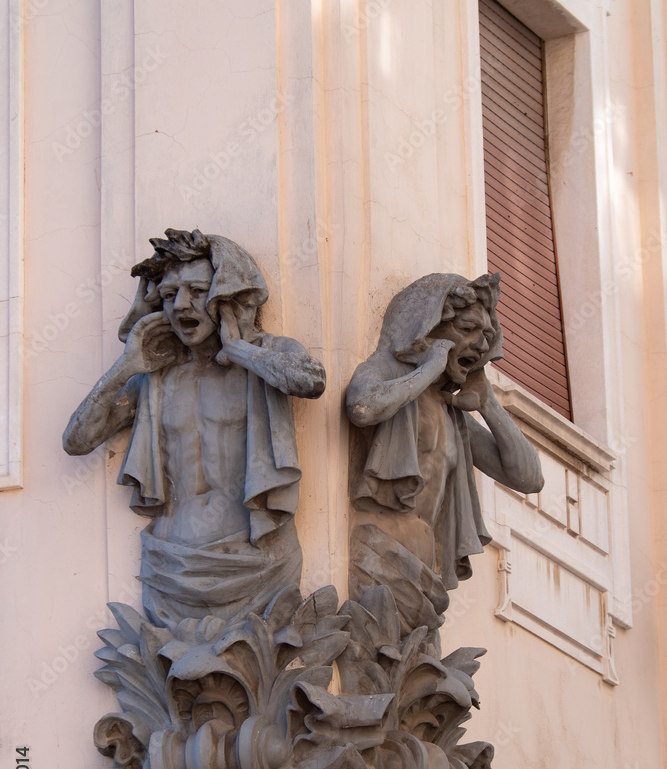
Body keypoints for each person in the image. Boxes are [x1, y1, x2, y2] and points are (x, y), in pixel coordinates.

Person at [63, 229, 325, 627]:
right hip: (172, 561)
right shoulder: (156, 379)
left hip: (254, 560)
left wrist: (237, 348)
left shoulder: (266, 356)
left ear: (227, 296)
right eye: (169, 296)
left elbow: (310, 382)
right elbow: (76, 441)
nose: (181, 305)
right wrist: (126, 366)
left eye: (198, 291)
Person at [346, 271, 543, 636]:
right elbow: (362, 407)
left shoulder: (452, 415)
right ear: (429, 328)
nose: (479, 346)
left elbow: (528, 478)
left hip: (426, 567)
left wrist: (488, 403)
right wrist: (429, 368)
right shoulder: (387, 371)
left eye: (485, 337)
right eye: (467, 329)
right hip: (379, 551)